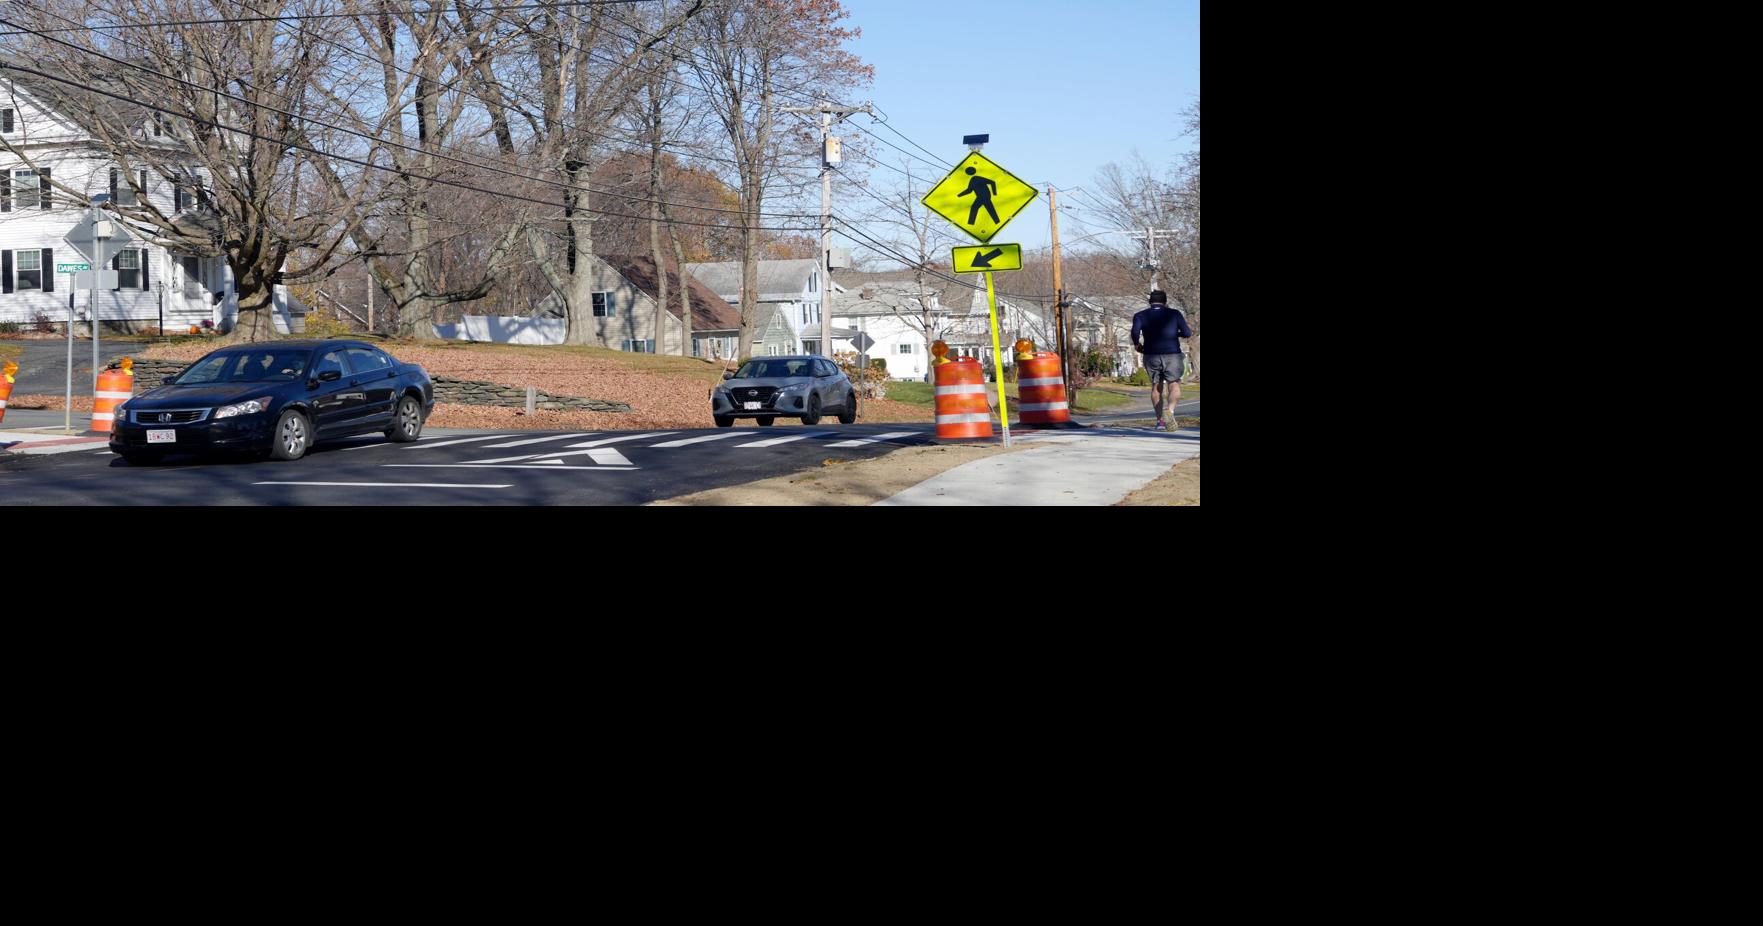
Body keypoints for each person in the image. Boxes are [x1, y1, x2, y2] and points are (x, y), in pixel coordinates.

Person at [1130, 290, 1193, 430]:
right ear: (1165, 302)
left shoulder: (1140, 315)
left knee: (1156, 387)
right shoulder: (1174, 314)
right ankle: (1169, 411)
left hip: (1151, 354)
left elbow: (1134, 332)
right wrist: (1175, 333)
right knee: (1174, 384)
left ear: (1150, 302)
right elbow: (1187, 333)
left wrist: (1137, 344)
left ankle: (1160, 422)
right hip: (1172, 354)